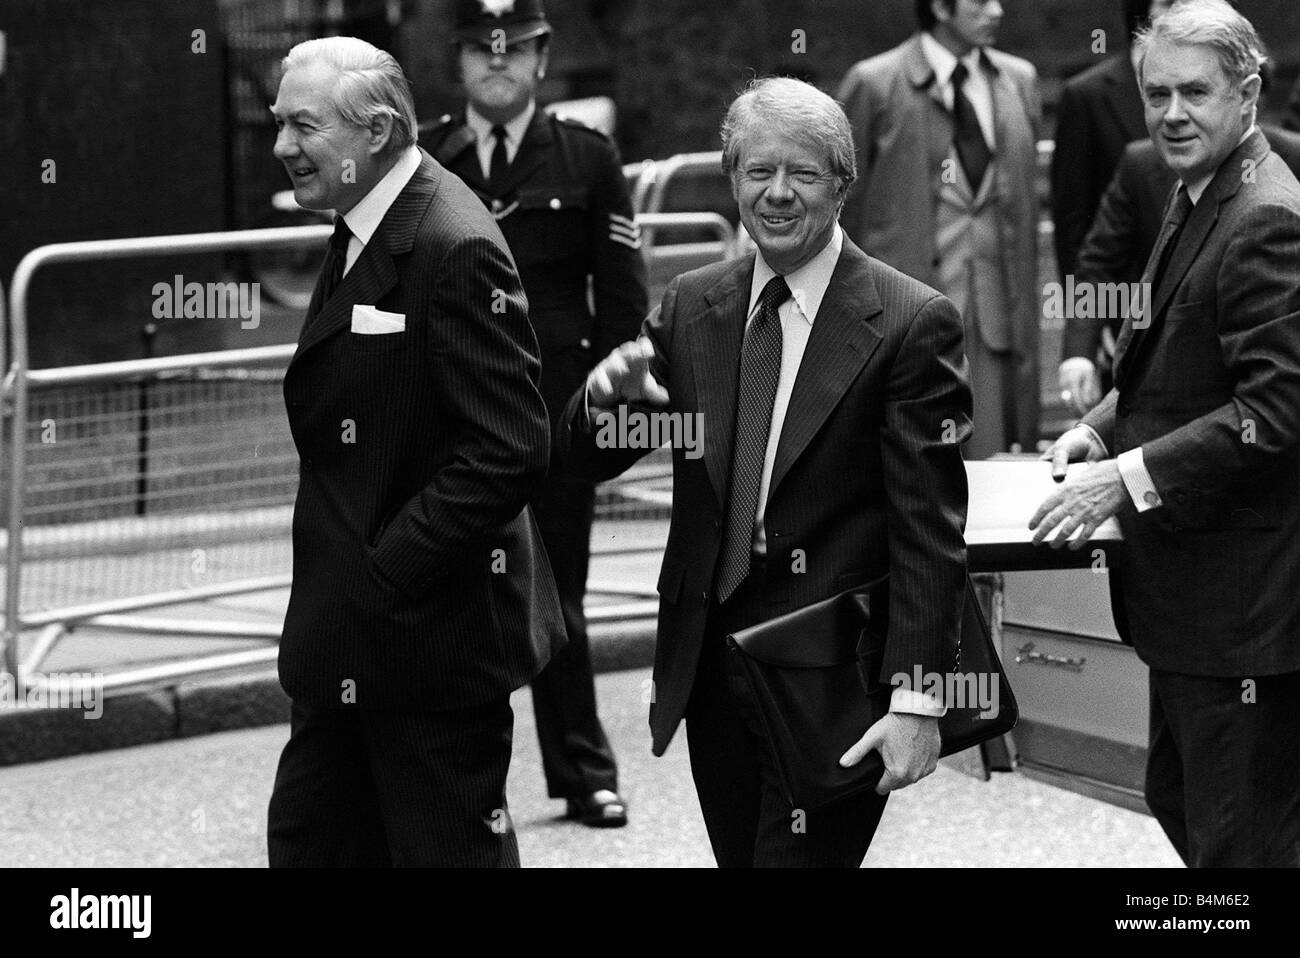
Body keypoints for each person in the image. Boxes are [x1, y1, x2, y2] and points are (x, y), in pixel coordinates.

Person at [558, 77, 973, 868]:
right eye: (757, 172)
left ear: (843, 186)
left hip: (834, 685)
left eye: (804, 174)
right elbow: (589, 461)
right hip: (712, 673)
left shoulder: (911, 322)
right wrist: (600, 401)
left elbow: (930, 529)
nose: (777, 195)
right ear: (732, 177)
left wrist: (920, 701)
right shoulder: (690, 306)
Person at [265, 36, 565, 867]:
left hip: (426, 648)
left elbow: (509, 448)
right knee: (310, 844)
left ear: (380, 131)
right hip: (346, 642)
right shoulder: (364, 216)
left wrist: (385, 570)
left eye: (304, 125)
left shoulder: (452, 242)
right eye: (278, 123)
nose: (282, 145)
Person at [1030, 0, 1300, 867]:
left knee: (1238, 842)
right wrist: (1100, 434)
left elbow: (1276, 411)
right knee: (1182, 798)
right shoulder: (1196, 190)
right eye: (1156, 94)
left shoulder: (1264, 215)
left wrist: (1131, 474)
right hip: (1196, 600)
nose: (1172, 113)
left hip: (1243, 608)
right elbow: (1174, 362)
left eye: (1195, 92)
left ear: (1249, 93)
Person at [420, 0, 646, 829]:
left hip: (553, 419)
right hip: (451, 419)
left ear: (542, 59)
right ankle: (462, 790)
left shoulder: (587, 158)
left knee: (560, 599)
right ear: (460, 62)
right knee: (452, 602)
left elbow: (622, 304)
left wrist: (602, 410)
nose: (498, 61)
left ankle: (583, 773)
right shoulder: (426, 159)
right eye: (482, 49)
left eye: (514, 48)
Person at [837, 0, 1039, 458]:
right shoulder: (873, 83)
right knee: (908, 471)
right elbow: (842, 209)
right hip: (902, 320)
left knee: (992, 472)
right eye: (980, 1)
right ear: (939, 7)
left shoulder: (1017, 81)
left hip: (995, 320)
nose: (997, 11)